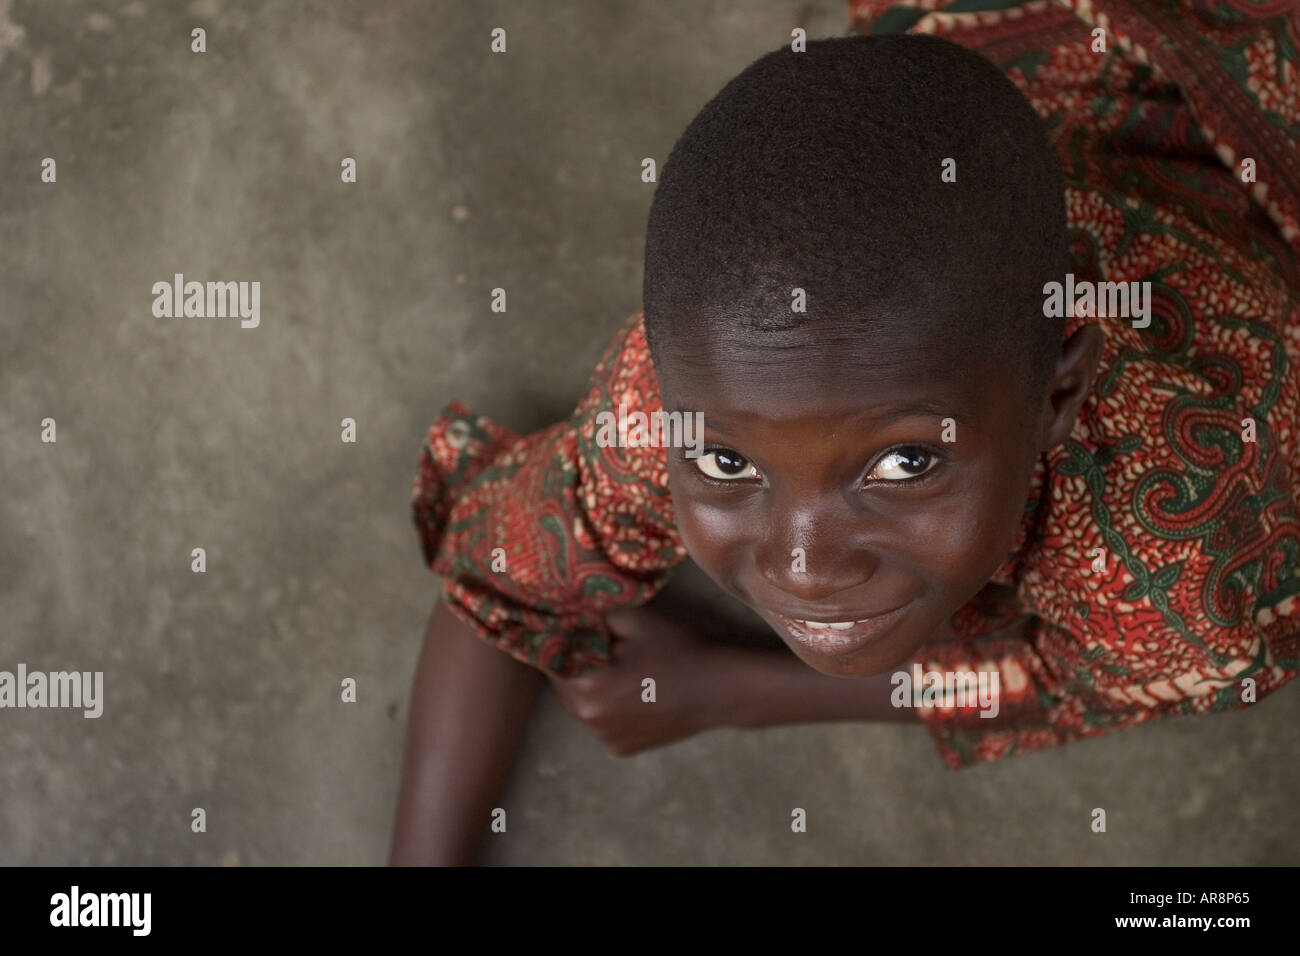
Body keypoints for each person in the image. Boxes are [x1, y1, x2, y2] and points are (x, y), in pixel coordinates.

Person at [390, 0, 1300, 865]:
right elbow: (499, 573)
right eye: (725, 461)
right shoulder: (697, 386)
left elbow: (1084, 682)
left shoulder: (1190, 543)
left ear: (1061, 390)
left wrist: (736, 694)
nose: (804, 567)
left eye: (906, 462)